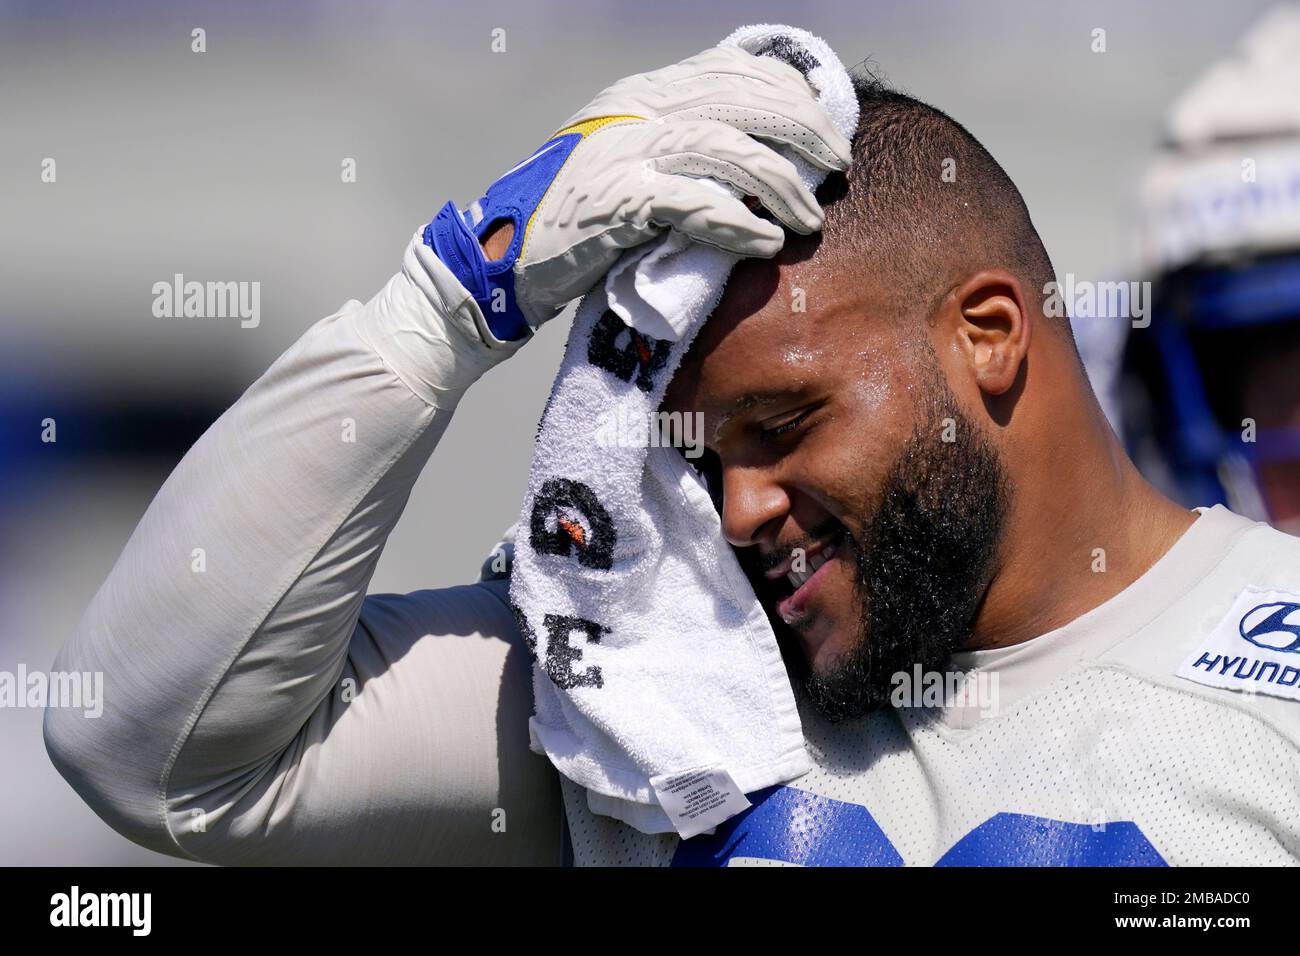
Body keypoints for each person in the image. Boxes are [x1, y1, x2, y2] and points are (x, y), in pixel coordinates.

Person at [45, 45, 1300, 867]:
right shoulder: (667, 663)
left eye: (785, 425)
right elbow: (146, 751)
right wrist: (437, 311)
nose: (740, 506)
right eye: (697, 460)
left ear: (985, 336)